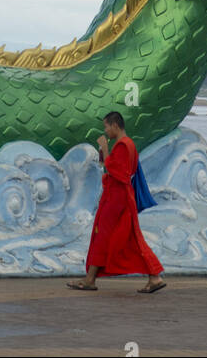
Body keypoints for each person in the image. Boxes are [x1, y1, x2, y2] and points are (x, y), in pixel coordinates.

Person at [67, 111, 166, 293]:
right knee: (131, 239)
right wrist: (104, 155)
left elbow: (119, 173)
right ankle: (154, 277)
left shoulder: (122, 145)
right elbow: (117, 168)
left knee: (103, 235)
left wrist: (105, 149)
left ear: (114, 125)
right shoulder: (130, 145)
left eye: (106, 126)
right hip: (122, 198)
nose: (105, 131)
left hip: (116, 198)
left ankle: (90, 280)